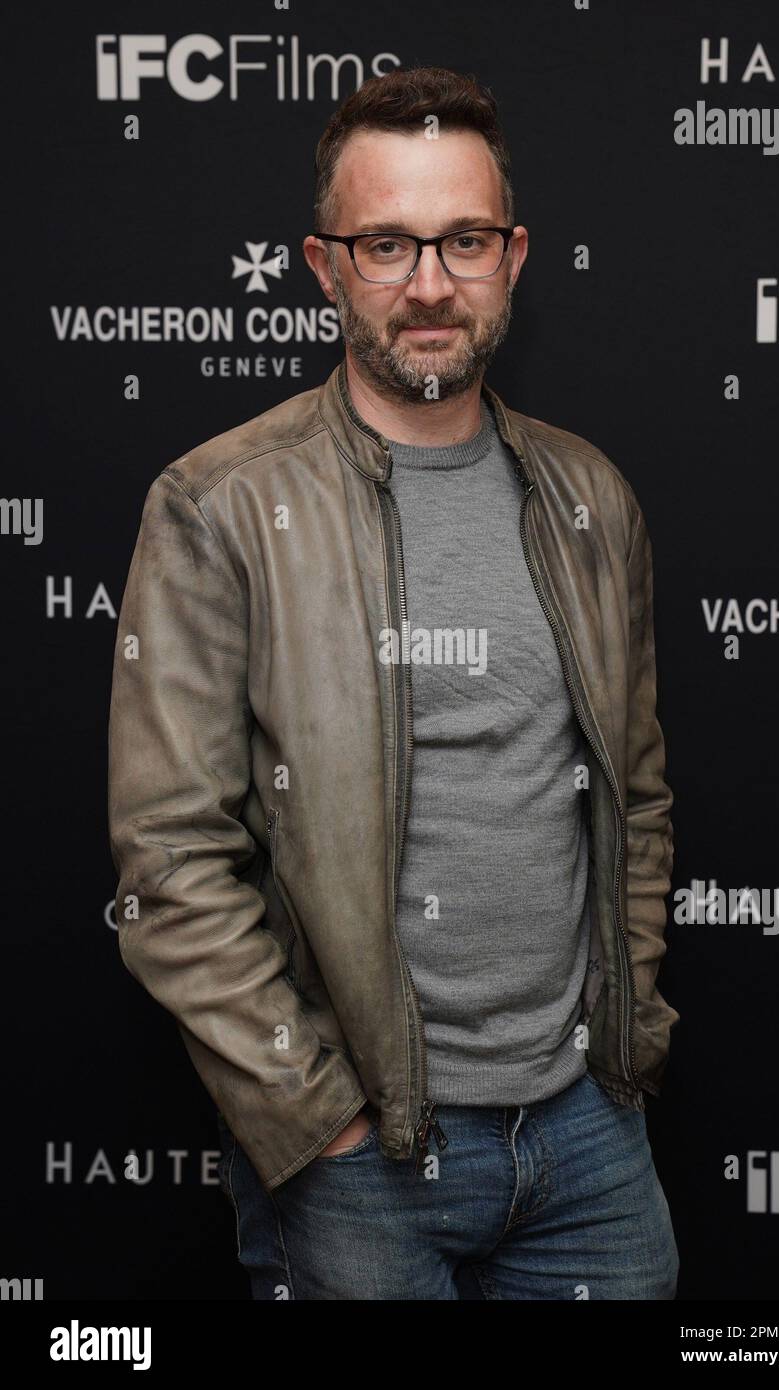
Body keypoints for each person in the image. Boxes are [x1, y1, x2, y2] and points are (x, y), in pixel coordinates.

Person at [108, 64, 680, 1300]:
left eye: (461, 239)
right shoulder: (220, 505)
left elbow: (632, 798)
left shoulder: (590, 500)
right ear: (325, 266)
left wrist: (620, 1041)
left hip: (587, 1142)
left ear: (512, 255)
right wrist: (315, 1123)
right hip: (362, 1154)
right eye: (386, 244)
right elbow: (169, 857)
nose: (428, 283)